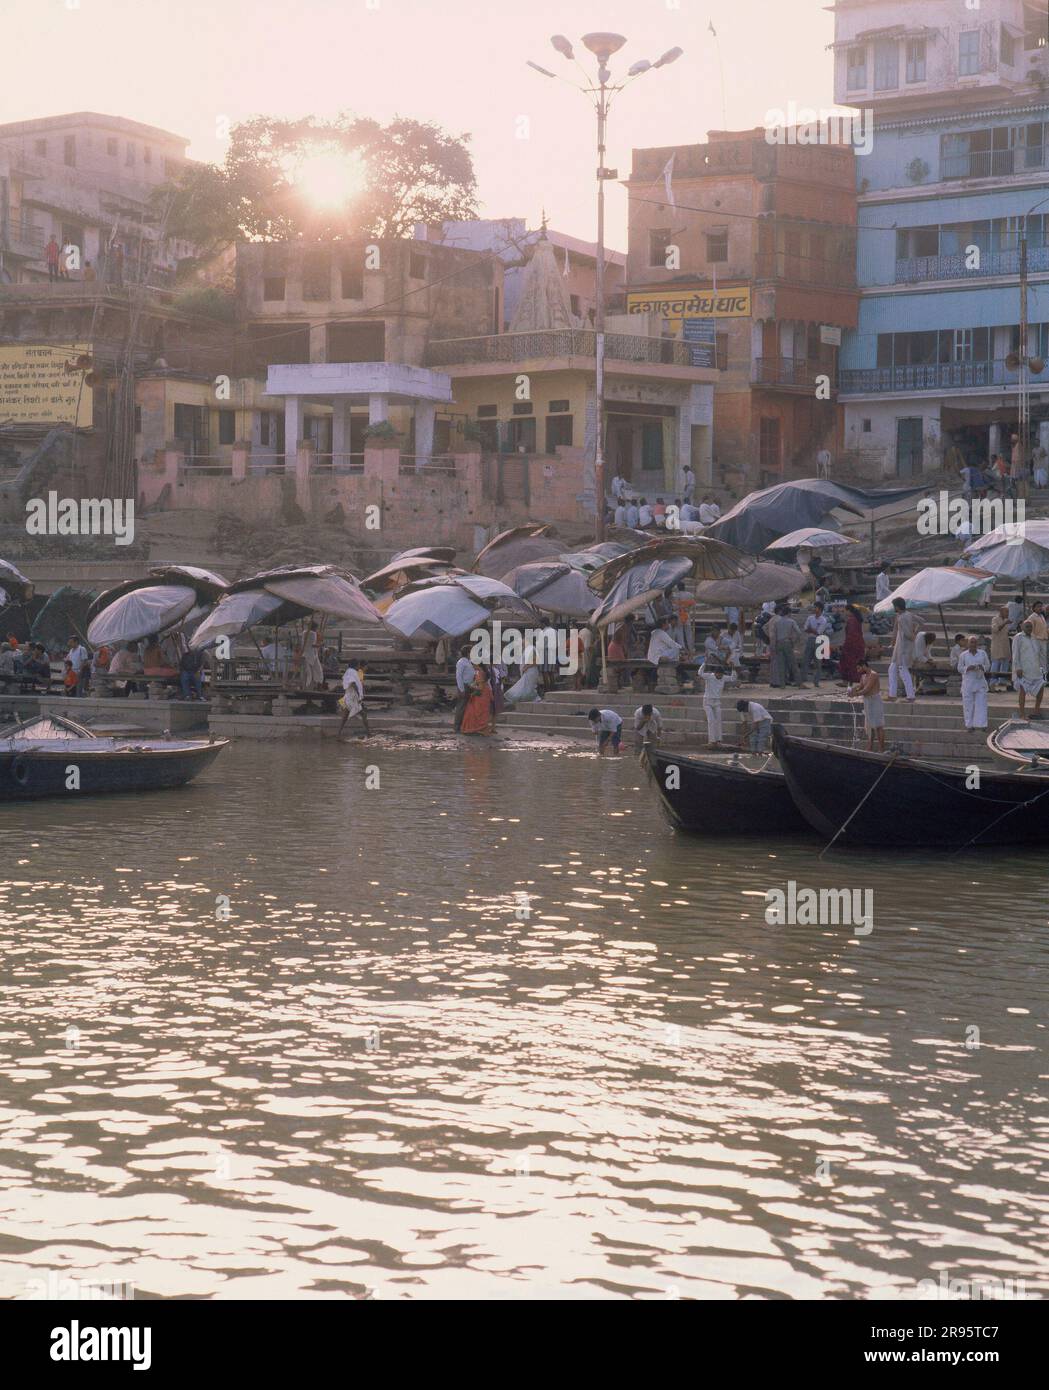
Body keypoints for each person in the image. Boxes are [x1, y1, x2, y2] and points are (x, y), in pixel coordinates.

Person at [847, 660, 886, 752]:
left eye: (858, 668)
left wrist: (855, 694)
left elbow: (867, 689)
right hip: (867, 701)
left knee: (878, 725)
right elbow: (860, 686)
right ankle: (870, 746)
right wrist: (853, 689)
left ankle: (881, 748)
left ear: (864, 665)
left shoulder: (874, 675)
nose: (858, 671)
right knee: (869, 725)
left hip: (875, 701)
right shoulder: (863, 676)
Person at [887, 598, 920, 702]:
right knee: (892, 669)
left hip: (904, 648)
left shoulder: (903, 617)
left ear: (897, 607)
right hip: (899, 647)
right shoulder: (906, 615)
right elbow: (922, 621)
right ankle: (892, 695)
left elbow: (908, 634)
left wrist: (913, 634)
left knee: (903, 671)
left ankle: (910, 696)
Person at [957, 635, 990, 731]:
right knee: (968, 705)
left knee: (982, 704)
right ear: (968, 643)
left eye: (975, 642)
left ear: (977, 644)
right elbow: (959, 668)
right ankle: (969, 725)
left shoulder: (982, 653)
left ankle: (982, 725)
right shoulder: (963, 655)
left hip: (980, 682)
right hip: (968, 683)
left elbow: (988, 665)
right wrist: (968, 668)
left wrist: (982, 667)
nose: (973, 644)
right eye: (971, 642)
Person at [1012, 619, 1045, 718]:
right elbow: (1015, 653)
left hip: (1035, 670)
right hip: (1023, 669)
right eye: (1027, 626)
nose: (1029, 628)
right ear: (1022, 627)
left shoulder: (1034, 638)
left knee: (1041, 687)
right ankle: (1022, 714)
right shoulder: (1018, 637)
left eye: (1030, 626)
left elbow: (1038, 654)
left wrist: (1042, 668)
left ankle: (1036, 711)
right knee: (1023, 691)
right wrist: (1018, 667)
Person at [768, 605, 802, 688]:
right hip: (787, 643)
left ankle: (782, 685)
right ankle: (799, 683)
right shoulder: (791, 621)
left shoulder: (777, 622)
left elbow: (773, 636)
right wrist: (793, 640)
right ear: (789, 613)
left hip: (778, 644)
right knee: (793, 664)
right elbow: (799, 633)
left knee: (781, 665)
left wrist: (773, 646)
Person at [337, 658, 370, 737]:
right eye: (358, 664)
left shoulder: (349, 671)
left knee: (345, 716)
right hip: (352, 697)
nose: (359, 666)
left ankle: (339, 733)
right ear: (355, 665)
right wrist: (358, 694)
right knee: (363, 714)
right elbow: (353, 683)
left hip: (349, 696)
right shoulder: (352, 672)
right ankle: (369, 733)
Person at [699, 659, 728, 747]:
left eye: (721, 675)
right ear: (716, 673)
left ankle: (719, 740)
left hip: (717, 702)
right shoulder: (709, 676)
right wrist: (704, 663)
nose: (720, 676)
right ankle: (712, 741)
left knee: (718, 719)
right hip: (707, 701)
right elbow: (700, 673)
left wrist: (733, 668)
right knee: (711, 720)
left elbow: (733, 677)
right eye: (719, 674)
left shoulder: (723, 678)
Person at [460, 664, 495, 736]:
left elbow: (480, 688)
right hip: (485, 694)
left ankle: (477, 729)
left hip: (481, 695)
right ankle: (481, 730)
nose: (472, 666)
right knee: (481, 711)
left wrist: (472, 686)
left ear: (478, 665)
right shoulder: (481, 672)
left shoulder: (480, 673)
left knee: (477, 712)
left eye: (473, 665)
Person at [801, 603, 829, 688]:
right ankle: (803, 680)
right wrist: (812, 630)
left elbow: (818, 632)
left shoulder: (823, 620)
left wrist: (811, 629)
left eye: (815, 607)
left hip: (819, 640)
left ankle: (816, 681)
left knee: (818, 662)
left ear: (820, 609)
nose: (814, 609)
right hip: (810, 640)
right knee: (806, 660)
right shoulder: (810, 618)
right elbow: (805, 628)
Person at [453, 643, 477, 732]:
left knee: (468, 706)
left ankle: (465, 725)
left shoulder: (469, 661)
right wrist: (461, 689)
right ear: (468, 653)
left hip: (471, 686)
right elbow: (458, 676)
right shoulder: (461, 662)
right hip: (464, 686)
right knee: (461, 706)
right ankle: (457, 727)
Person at [990, 607, 1012, 689]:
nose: (1008, 613)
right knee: (996, 663)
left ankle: (1002, 680)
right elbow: (995, 629)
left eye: (1008, 612)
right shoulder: (995, 619)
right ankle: (992, 682)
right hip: (997, 644)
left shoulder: (1006, 620)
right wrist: (1005, 623)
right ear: (1001, 612)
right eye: (1006, 612)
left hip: (1005, 644)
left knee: (1006, 661)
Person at [1027, 600, 1048, 677]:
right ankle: (1036, 677)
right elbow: (1030, 630)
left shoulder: (1042, 616)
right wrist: (1032, 641)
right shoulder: (1032, 617)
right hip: (1036, 640)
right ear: (1034, 608)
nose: (1040, 608)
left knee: (1043, 660)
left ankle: (1043, 678)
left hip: (1043, 640)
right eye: (1038, 606)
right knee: (1036, 660)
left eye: (1041, 606)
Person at [301, 622, 324, 688]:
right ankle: (310, 685)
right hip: (310, 655)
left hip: (308, 654)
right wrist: (320, 645)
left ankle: (314, 684)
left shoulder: (304, 632)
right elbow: (313, 645)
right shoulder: (312, 633)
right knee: (313, 672)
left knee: (312, 672)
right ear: (314, 627)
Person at [1010, 431, 1027, 500]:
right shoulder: (1015, 446)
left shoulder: (1018, 445)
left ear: (1015, 439)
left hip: (1017, 466)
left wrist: (1016, 465)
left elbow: (1018, 457)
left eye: (1012, 439)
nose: (1011, 440)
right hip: (1014, 466)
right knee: (1013, 481)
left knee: (1018, 481)